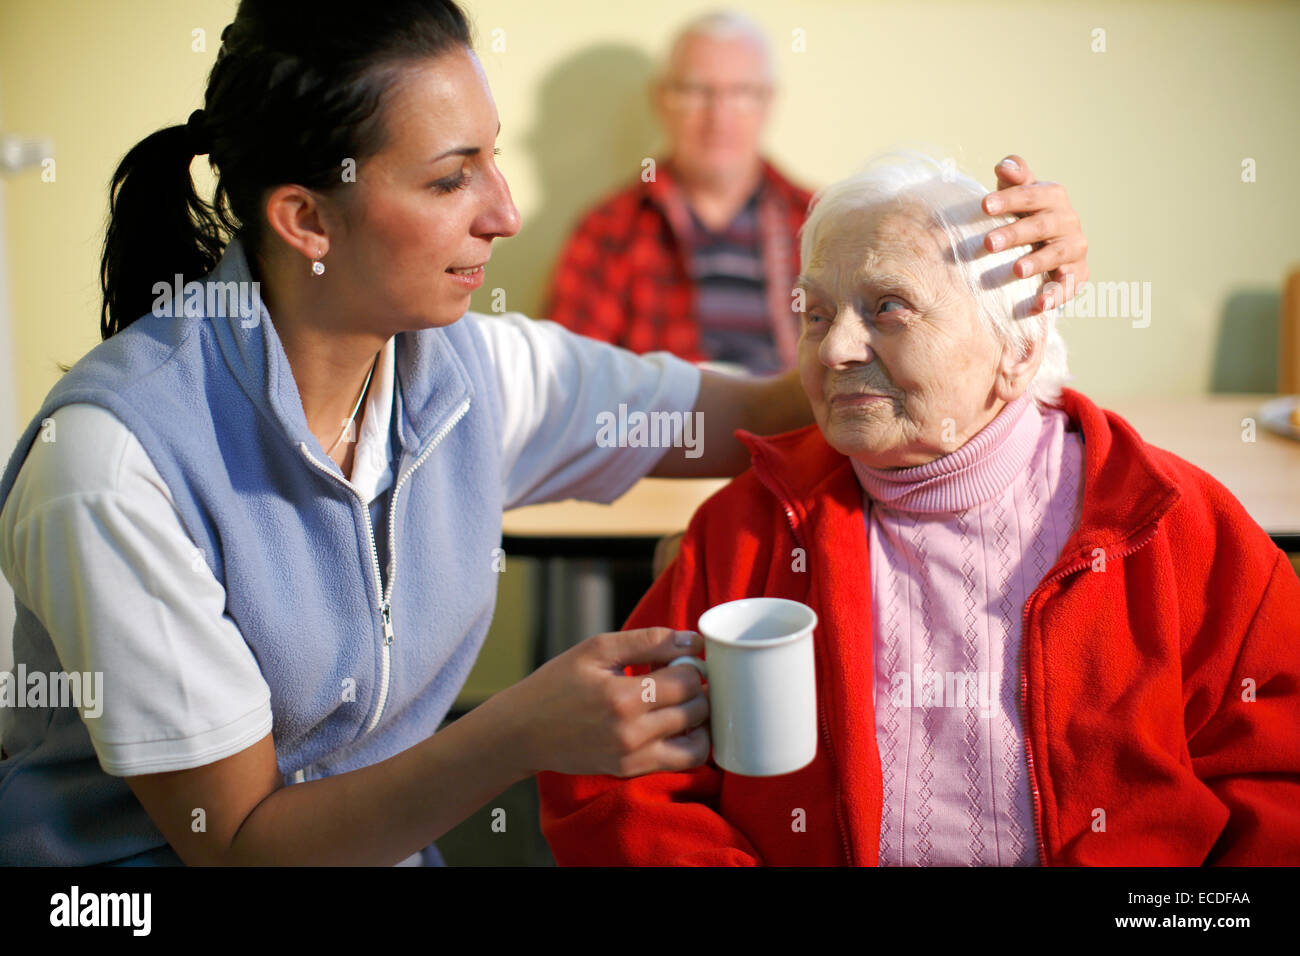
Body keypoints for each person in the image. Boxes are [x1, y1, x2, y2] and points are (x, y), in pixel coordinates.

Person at [0, 2, 1088, 866]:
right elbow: (233, 845)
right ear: (305, 218)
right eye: (449, 176)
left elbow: (762, 408)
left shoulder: (473, 370)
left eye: (493, 156)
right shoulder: (111, 467)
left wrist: (996, 278)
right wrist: (522, 730)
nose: (506, 210)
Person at [537, 155, 1300, 866]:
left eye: (890, 308)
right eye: (815, 313)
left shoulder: (1171, 525)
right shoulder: (751, 527)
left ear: (1018, 348)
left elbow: (1278, 785)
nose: (833, 349)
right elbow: (611, 780)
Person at [543, 11, 1084, 375]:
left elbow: (937, 330)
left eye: (741, 93)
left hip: (805, 456)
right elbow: (569, 383)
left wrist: (1021, 265)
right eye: (697, 92)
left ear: (768, 102)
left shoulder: (827, 218)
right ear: (662, 101)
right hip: (661, 468)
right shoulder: (608, 230)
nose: (720, 114)